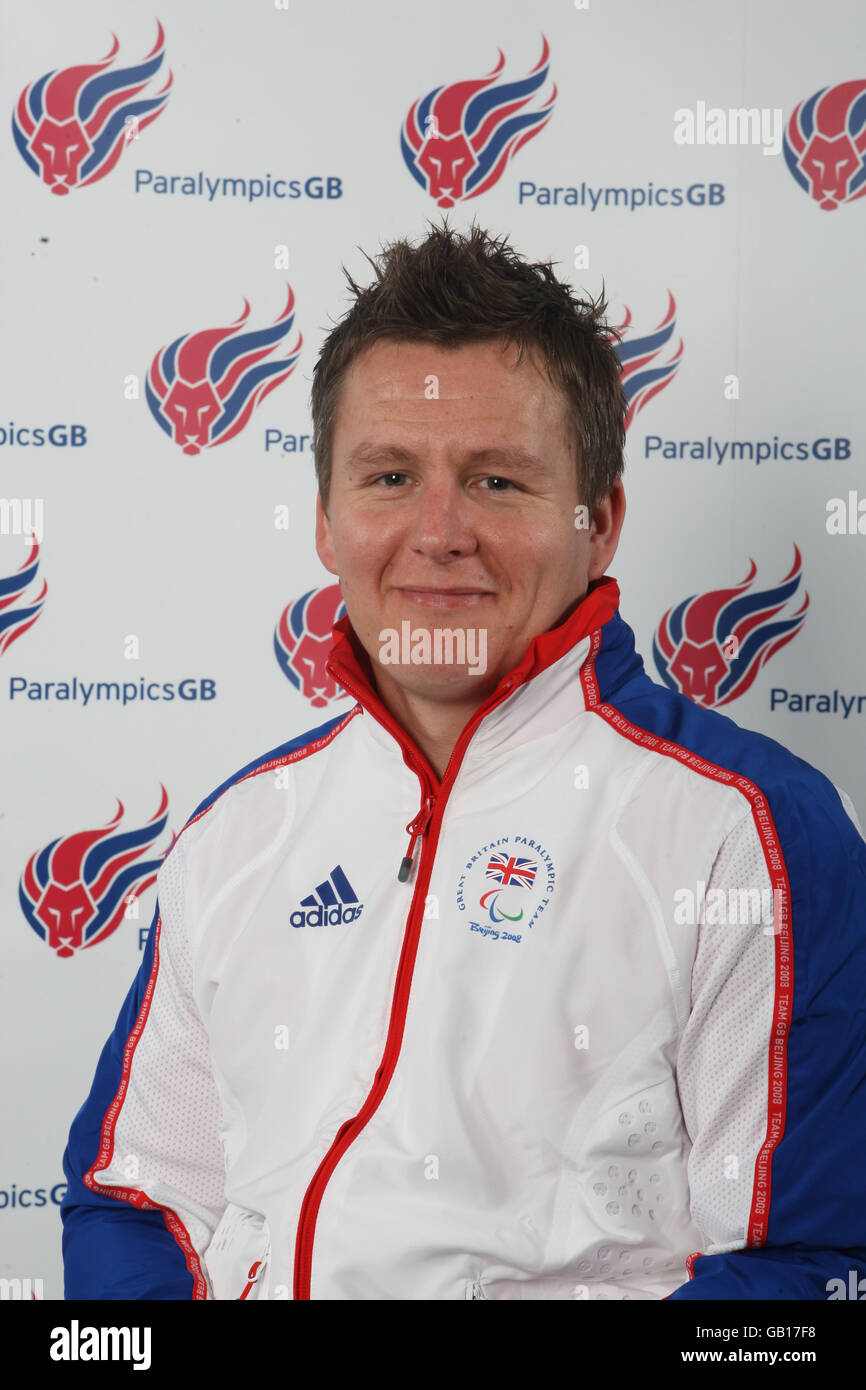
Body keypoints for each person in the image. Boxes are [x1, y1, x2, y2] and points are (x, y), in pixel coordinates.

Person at [61, 221, 866, 1300]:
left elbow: (812, 1278)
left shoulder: (750, 831)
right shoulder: (238, 832)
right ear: (325, 520)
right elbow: (132, 1194)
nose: (438, 532)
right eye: (390, 475)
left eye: (495, 482)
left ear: (601, 520)